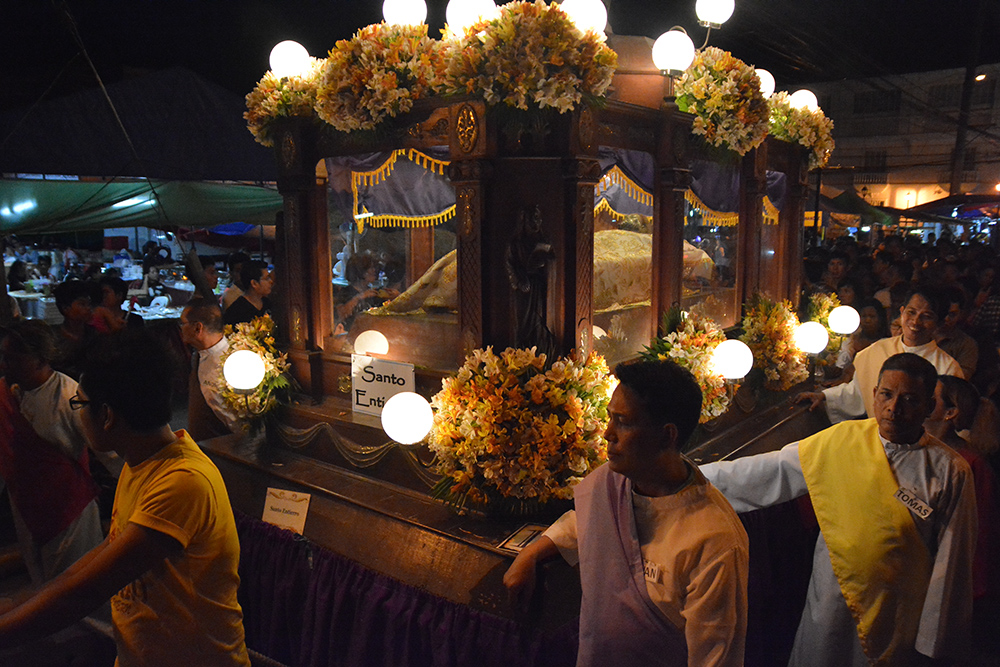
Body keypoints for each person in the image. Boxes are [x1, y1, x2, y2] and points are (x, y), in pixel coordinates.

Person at [702, 353, 977, 666]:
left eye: (910, 399)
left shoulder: (950, 471)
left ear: (928, 407)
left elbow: (951, 563)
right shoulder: (842, 440)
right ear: (874, 395)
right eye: (886, 395)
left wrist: (933, 641)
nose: (894, 408)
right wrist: (690, 478)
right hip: (832, 596)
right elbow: (770, 470)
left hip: (899, 616)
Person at [0, 329, 251, 666]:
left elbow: (83, 592)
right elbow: (82, 570)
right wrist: (17, 604)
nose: (78, 411)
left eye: (80, 403)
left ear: (107, 415)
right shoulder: (142, 462)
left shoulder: (182, 482)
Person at [504, 359, 749, 667]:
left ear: (667, 436)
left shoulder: (714, 540)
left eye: (623, 422)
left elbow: (715, 657)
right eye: (609, 418)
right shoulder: (612, 482)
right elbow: (588, 522)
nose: (608, 434)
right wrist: (531, 553)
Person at [0, 320, 104, 585]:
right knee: (40, 579)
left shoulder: (71, 395)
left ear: (40, 359)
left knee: (75, 585)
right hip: (25, 504)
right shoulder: (7, 392)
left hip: (69, 507)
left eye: (12, 359)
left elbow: (105, 447)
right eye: (3, 357)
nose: (4, 365)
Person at [797, 285, 963, 422]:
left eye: (926, 316)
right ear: (902, 312)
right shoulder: (877, 350)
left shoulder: (947, 368)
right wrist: (824, 397)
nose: (915, 322)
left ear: (939, 323)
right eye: (911, 312)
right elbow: (857, 392)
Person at [924, 375, 999, 601]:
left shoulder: (970, 464)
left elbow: (980, 534)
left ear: (951, 412)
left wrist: (971, 591)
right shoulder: (915, 448)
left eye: (931, 397)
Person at [180, 300, 240, 441]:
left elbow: (237, 423)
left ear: (197, 328)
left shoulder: (232, 363)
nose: (180, 328)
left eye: (182, 323)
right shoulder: (199, 354)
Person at [51, 280, 100, 380]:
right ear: (65, 308)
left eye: (89, 304)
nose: (88, 308)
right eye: (82, 304)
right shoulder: (52, 337)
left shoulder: (95, 334)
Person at [935, 286, 979, 380]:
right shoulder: (921, 334)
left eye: (952, 314)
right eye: (943, 313)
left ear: (960, 314)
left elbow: (961, 379)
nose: (946, 318)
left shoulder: (967, 344)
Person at [223, 260, 273, 327]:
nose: (271, 281)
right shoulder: (236, 311)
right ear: (254, 283)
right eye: (266, 278)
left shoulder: (267, 303)